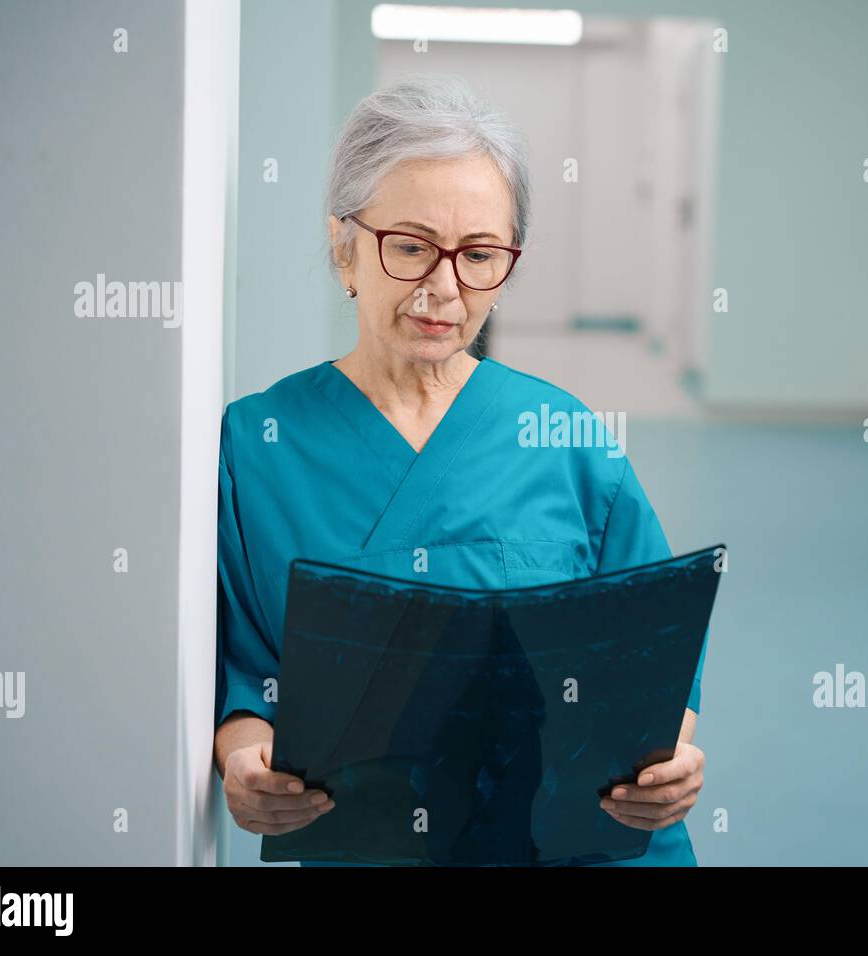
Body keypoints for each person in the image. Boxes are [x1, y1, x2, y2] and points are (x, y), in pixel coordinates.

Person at [212, 73, 708, 866]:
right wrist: (244, 767)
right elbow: (247, 679)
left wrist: (672, 763)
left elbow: (658, 660)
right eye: (409, 246)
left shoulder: (566, 436)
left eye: (479, 254)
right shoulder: (262, 446)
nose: (444, 289)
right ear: (345, 246)